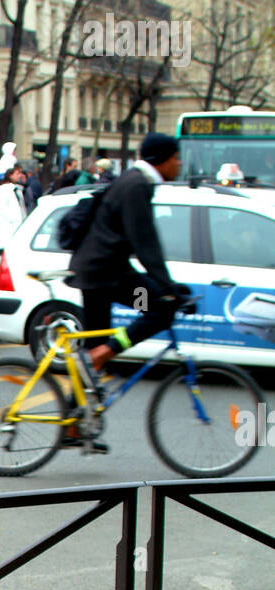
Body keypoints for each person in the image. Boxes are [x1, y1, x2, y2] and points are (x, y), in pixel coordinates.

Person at [67, 132, 187, 416]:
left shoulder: (134, 180)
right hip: (106, 275)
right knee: (160, 307)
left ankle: (72, 421)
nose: (179, 164)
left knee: (92, 350)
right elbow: (144, 241)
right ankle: (105, 352)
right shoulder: (136, 185)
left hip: (100, 272)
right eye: (176, 158)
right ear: (163, 160)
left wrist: (166, 282)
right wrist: (167, 286)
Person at [0, 164, 28, 249]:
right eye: (17, 173)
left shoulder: (18, 189)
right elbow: (3, 208)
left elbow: (22, 207)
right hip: (9, 225)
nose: (19, 176)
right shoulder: (4, 189)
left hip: (18, 224)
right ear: (10, 175)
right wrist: (13, 220)